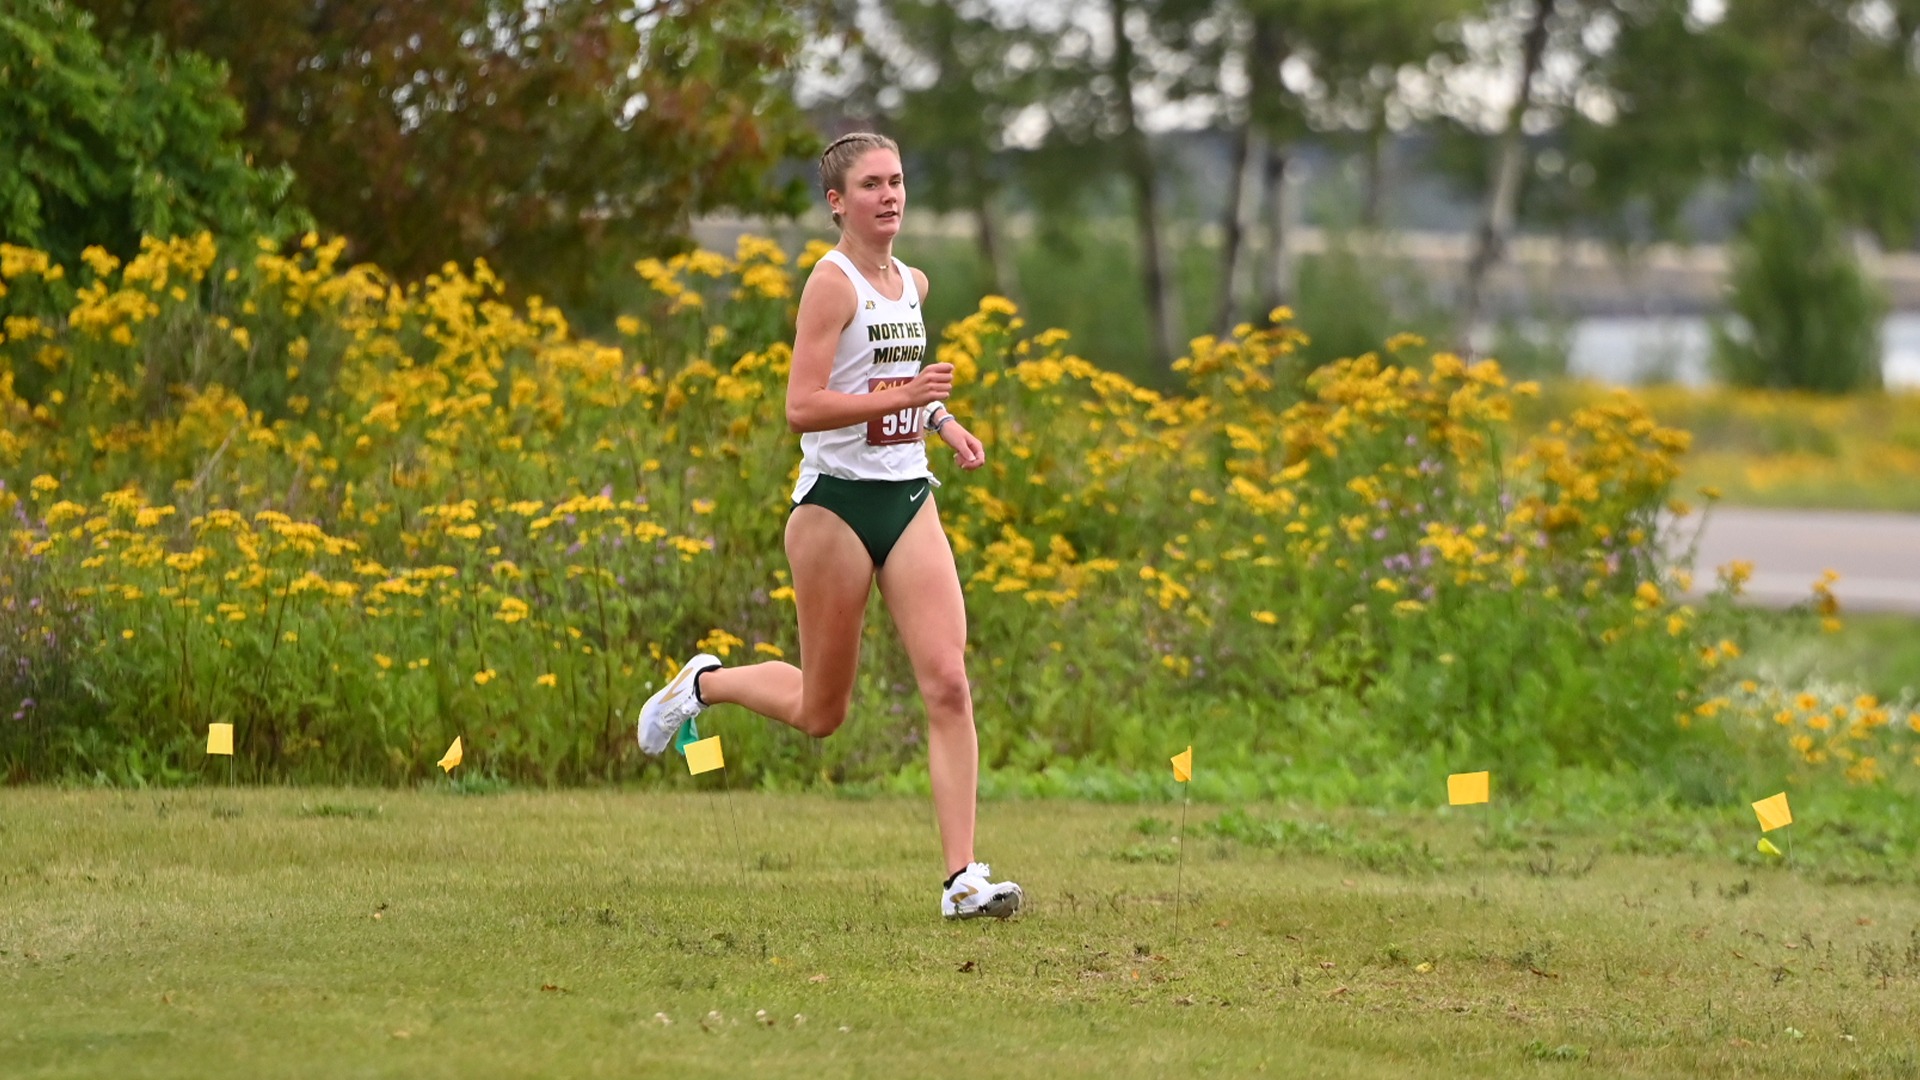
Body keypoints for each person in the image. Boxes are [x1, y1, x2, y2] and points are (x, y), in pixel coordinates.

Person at [638, 132, 1023, 921]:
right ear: (838, 202)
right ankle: (702, 686)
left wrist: (941, 421)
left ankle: (963, 880)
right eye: (873, 184)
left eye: (899, 181)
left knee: (948, 681)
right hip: (834, 508)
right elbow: (803, 406)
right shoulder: (831, 283)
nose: (891, 195)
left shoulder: (912, 282)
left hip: (908, 495)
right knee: (823, 712)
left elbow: (892, 380)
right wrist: (902, 399)